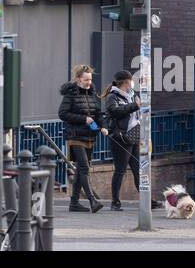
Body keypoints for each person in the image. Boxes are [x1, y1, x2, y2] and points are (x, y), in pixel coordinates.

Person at [105, 69, 156, 212]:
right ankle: (115, 202)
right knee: (120, 170)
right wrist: (135, 106)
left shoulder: (133, 95)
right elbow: (115, 111)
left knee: (138, 169)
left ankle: (148, 200)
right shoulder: (112, 97)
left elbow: (139, 112)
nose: (133, 83)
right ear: (126, 82)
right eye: (131, 81)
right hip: (121, 138)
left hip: (135, 136)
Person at [58, 64, 106, 213]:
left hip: (90, 136)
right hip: (75, 136)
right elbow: (63, 113)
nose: (89, 82)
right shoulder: (70, 94)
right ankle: (92, 200)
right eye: (86, 80)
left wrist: (103, 126)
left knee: (80, 169)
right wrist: (83, 119)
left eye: (90, 79)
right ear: (78, 79)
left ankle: (74, 203)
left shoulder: (92, 93)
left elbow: (98, 113)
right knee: (84, 167)